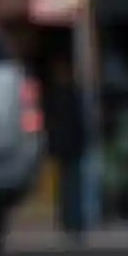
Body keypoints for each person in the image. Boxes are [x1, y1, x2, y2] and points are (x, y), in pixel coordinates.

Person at [42, 56, 88, 242]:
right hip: (69, 147)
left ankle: (73, 223)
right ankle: (72, 223)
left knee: (71, 187)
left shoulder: (63, 95)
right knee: (69, 187)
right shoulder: (64, 95)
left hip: (69, 147)